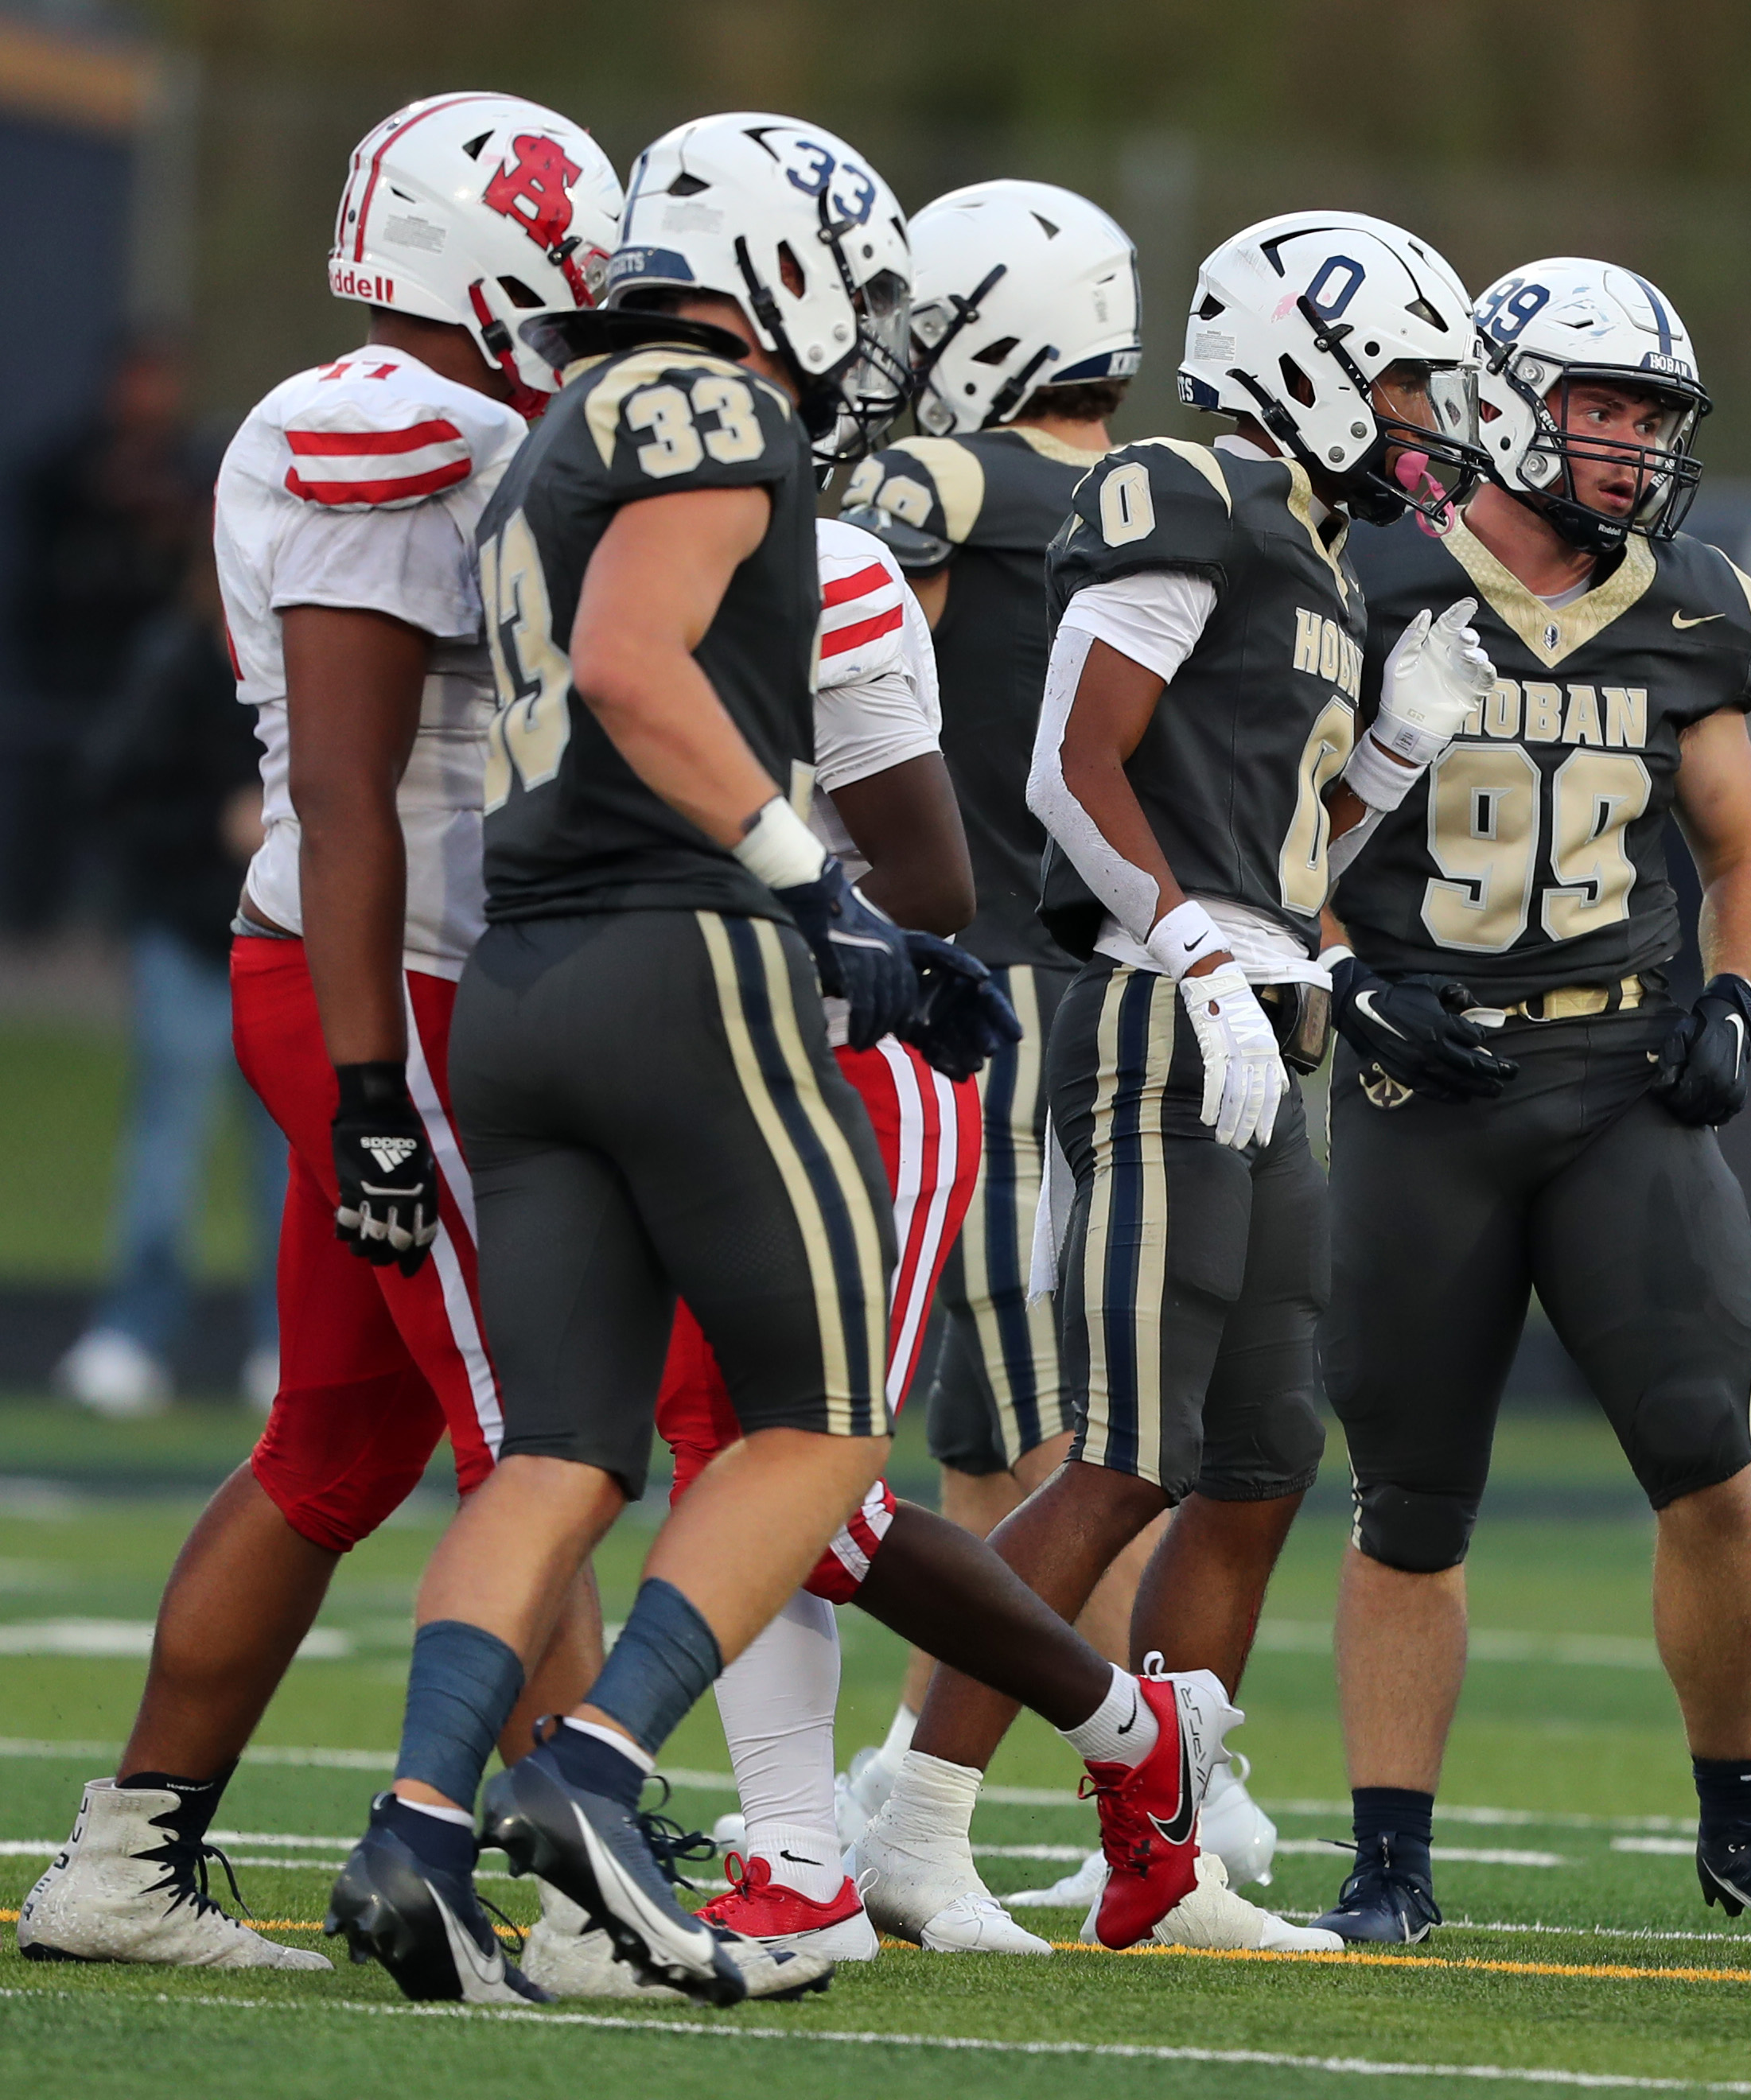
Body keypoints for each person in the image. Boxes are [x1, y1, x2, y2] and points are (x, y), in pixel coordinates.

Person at [316, 111, 1212, 2011]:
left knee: (559, 1453)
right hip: (683, 951)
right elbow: (636, 664)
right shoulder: (709, 404)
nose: (865, 334)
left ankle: (416, 1820)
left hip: (525, 973)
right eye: (852, 286)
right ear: (775, 264)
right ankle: (594, 1773)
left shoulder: (551, 427)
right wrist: (817, 894)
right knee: (816, 1433)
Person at [16, 93, 623, 1976]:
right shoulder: (382, 419)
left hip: (404, 971)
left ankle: (126, 1865)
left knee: (334, 1451)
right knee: (538, 1435)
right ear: (483, 245)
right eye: (567, 252)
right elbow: (349, 788)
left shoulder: (453, 420)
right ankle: (593, 1880)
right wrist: (371, 1084)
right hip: (391, 977)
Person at [850, 208, 1492, 1957]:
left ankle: (1167, 1848)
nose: (1424, 421)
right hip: (1153, 1016)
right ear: (1304, 360)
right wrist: (1195, 952)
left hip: (1260, 1019)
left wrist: (1392, 750)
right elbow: (1071, 769)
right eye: (1401, 382)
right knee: (1122, 1453)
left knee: (1258, 1461)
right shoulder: (1183, 492)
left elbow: (1285, 846)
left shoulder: (1321, 556)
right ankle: (916, 1815)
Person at [1309, 257, 1751, 1953]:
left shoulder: (1690, 603)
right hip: (1421, 1083)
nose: (1630, 444)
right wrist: (1347, 976)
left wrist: (1732, 999)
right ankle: (1388, 1859)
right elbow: (1274, 832)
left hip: (1616, 1082)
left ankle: (1744, 1824)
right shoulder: (1374, 574)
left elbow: (1744, 857)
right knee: (1409, 1505)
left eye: (1648, 416)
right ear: (1496, 400)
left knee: (1713, 1465)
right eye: (1599, 407)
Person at [831, 181, 1278, 1904]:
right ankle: (925, 1777)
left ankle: (1140, 1780)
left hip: (996, 995)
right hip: (1119, 977)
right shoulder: (1166, 487)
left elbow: (840, 686)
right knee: (1001, 1435)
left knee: (1043, 1434)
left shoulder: (943, 486)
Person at [56, 522, 286, 1416]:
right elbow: (114, 789)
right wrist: (213, 826)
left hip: (288, 942)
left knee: (297, 1162)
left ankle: (286, 1343)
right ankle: (135, 1332)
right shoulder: (176, 660)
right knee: (167, 1147)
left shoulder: (314, 661)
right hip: (192, 941)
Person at [3, 335, 200, 935]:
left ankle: (125, 920)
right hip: (66, 663)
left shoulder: (186, 462)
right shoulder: (68, 458)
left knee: (139, 799)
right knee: (48, 800)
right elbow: (40, 535)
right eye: (141, 380)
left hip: (144, 667)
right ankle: (31, 925)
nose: (153, 396)